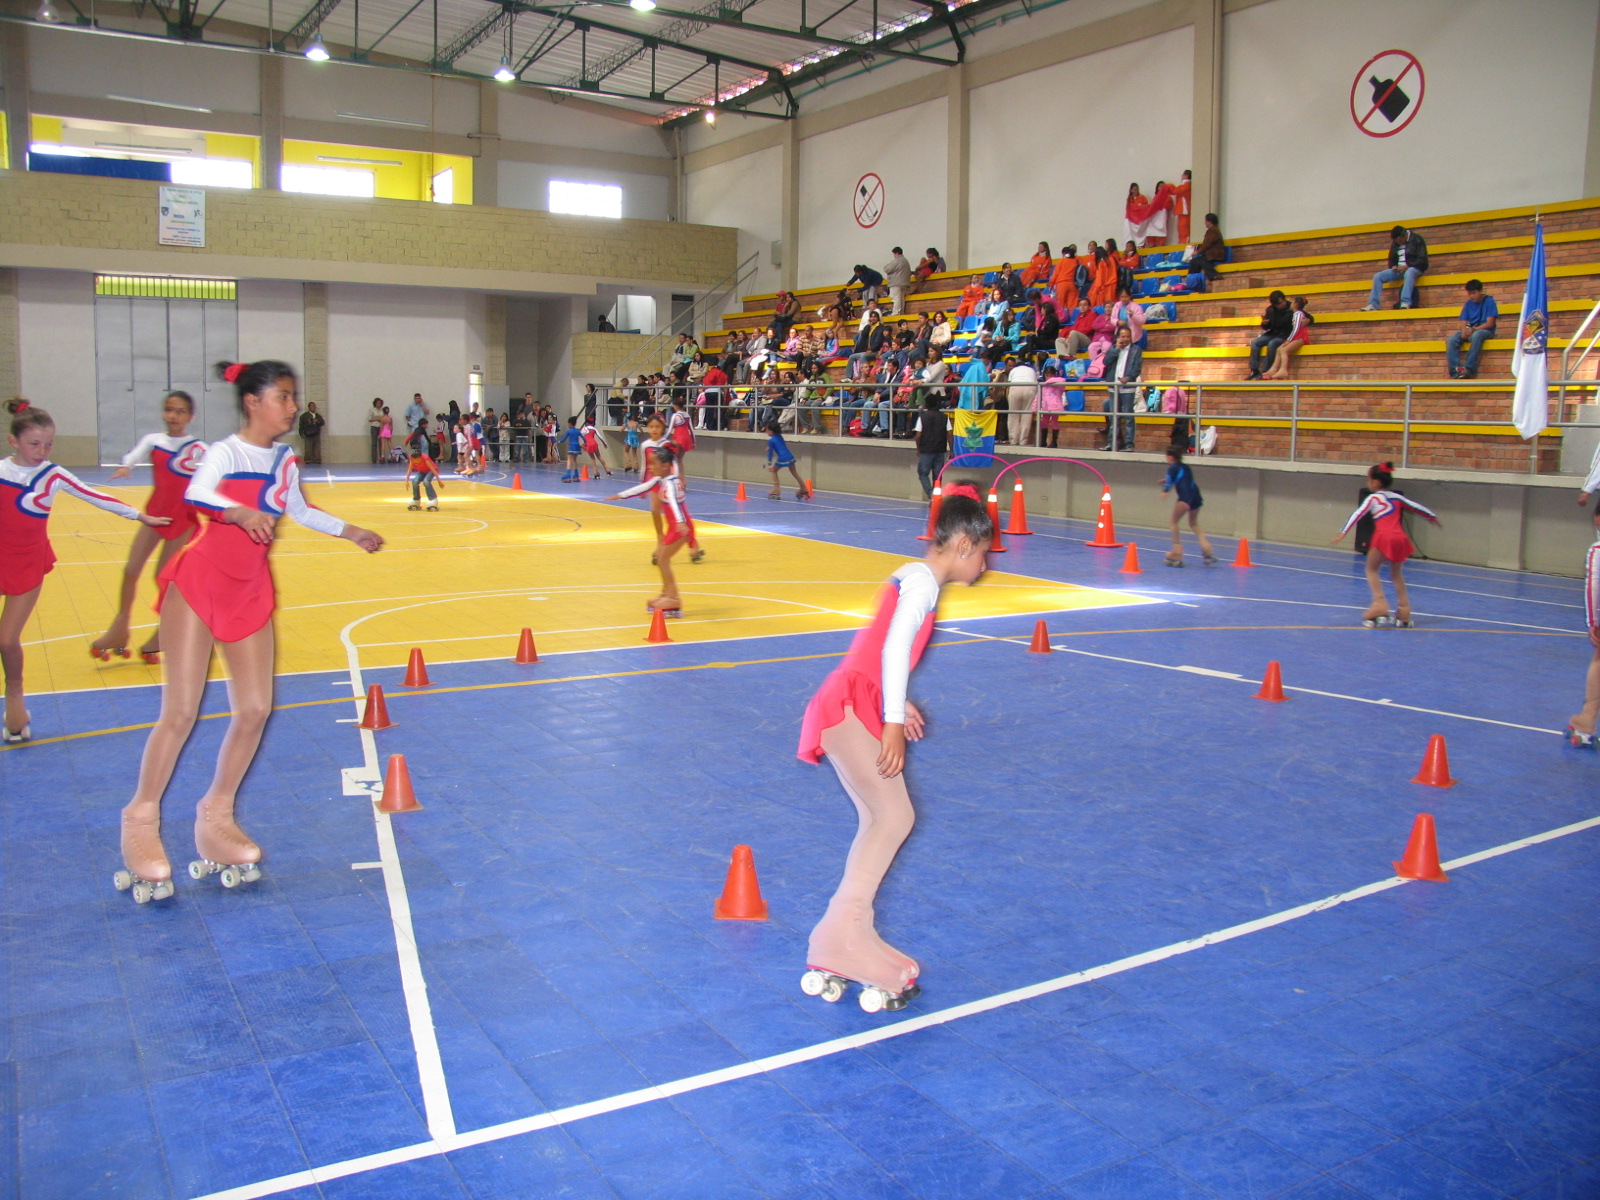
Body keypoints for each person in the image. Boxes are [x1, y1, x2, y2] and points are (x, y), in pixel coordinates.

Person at [113, 361, 380, 903]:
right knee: (181, 712)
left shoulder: (284, 459)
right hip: (200, 584)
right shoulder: (225, 452)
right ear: (253, 402)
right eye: (282, 397)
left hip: (249, 589)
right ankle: (140, 819)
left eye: (291, 397)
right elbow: (200, 493)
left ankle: (216, 815)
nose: (291, 406)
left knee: (256, 709)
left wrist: (350, 531)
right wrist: (237, 513)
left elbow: (298, 509)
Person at [797, 485, 992, 1011]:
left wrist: (893, 701)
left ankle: (849, 934)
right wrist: (888, 722)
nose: (985, 565)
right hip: (849, 707)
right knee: (894, 816)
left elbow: (880, 649)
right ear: (965, 545)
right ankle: (838, 933)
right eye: (985, 553)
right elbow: (896, 644)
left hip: (853, 698)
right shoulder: (926, 584)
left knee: (879, 817)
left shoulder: (914, 574)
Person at [3, 408, 170, 742]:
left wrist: (139, 515)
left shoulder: (53, 476)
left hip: (27, 564)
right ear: (14, 442)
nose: (43, 451)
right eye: (35, 444)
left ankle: (15, 693)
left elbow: (95, 496)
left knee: (6, 640)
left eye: (49, 445)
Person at [91, 392, 207, 664]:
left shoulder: (200, 447)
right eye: (169, 410)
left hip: (183, 519)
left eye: (180, 411)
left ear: (190, 417)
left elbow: (220, 469)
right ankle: (120, 628)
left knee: (163, 578)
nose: (173, 416)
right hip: (155, 514)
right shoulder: (154, 440)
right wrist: (125, 466)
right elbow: (135, 454)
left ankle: (162, 637)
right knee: (131, 570)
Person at [1332, 462, 1440, 627]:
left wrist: (1343, 531)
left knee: (1371, 569)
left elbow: (1358, 513)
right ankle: (1404, 610)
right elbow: (1416, 507)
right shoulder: (1397, 497)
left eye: (1368, 479)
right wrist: (1432, 517)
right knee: (1396, 574)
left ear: (1375, 482)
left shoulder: (1373, 498)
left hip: (1384, 537)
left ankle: (1380, 604)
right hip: (1399, 538)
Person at [608, 445, 693, 615]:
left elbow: (676, 505)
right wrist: (621, 495)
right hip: (675, 526)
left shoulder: (672, 484)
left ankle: (673, 597)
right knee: (662, 559)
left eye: (654, 464)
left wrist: (679, 522)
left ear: (666, 466)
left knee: (662, 559)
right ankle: (667, 593)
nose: (651, 467)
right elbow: (642, 488)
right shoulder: (660, 480)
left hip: (680, 527)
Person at [1567, 521, 1599, 748]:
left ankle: (1587, 720)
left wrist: (1593, 622)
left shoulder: (1597, 550)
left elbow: (1593, 586)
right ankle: (1586, 720)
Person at [1160, 445, 1217, 566]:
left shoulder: (1172, 468)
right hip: (1195, 497)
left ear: (1170, 457)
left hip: (1185, 498)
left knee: (1173, 522)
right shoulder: (1185, 467)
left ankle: (1177, 551)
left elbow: (1170, 479)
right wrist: (1166, 481)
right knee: (1194, 523)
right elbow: (1183, 479)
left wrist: (1165, 491)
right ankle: (1207, 550)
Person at [1365, 225, 1430, 311]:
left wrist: (1407, 266)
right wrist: (1394, 266)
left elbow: (1423, 260)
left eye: (1400, 240)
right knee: (1378, 276)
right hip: (1399, 270)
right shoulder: (1396, 243)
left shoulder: (1417, 240)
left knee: (1409, 272)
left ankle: (1405, 302)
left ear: (1404, 235)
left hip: (1414, 268)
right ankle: (1374, 304)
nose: (1400, 243)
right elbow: (1391, 259)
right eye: (1397, 241)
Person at [1101, 325, 1142, 451]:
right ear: (1118, 337)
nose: (1125, 339)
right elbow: (1106, 362)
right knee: (1114, 416)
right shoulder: (1113, 348)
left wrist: (1128, 378)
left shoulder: (1136, 350)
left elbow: (1137, 368)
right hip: (1114, 386)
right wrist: (1117, 349)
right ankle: (1112, 443)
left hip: (1127, 387)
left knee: (1128, 416)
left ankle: (1129, 444)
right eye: (1123, 336)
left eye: (1128, 336)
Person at [1446, 279, 1498, 379]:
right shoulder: (1468, 303)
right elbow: (1463, 321)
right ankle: (1455, 371)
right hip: (1470, 330)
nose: (1471, 296)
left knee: (1477, 335)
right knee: (1451, 339)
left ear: (1480, 291)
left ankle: (1469, 369)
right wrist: (1463, 330)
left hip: (1485, 331)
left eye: (1474, 293)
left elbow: (1490, 323)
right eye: (1469, 294)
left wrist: (1473, 330)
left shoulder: (1489, 302)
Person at [1262, 296, 1314, 380]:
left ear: (1296, 304)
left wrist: (1288, 340)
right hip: (1296, 337)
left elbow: (1296, 329)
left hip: (1300, 337)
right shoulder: (1296, 314)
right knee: (1279, 349)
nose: (1291, 304)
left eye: (1293, 302)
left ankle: (1283, 370)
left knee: (1284, 350)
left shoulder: (1298, 314)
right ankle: (1273, 369)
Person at [1248, 291, 1293, 379]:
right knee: (1255, 343)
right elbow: (1267, 327)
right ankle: (1254, 370)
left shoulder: (1291, 308)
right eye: (1278, 304)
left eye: (1282, 302)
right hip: (1272, 333)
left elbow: (1306, 316)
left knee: (1272, 344)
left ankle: (1266, 371)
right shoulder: (1270, 310)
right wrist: (1265, 324)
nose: (1281, 305)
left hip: (1284, 335)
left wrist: (1309, 320)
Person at [762, 421, 807, 499]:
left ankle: (776, 489)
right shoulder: (779, 436)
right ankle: (803, 487)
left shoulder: (771, 440)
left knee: (773, 470)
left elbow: (770, 454)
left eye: (767, 430)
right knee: (794, 473)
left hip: (783, 458)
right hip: (789, 455)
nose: (766, 431)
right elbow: (780, 446)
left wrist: (769, 464)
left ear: (771, 431)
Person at [404, 420, 442, 511]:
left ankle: (433, 499)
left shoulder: (424, 458)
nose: (415, 461)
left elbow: (433, 469)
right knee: (415, 481)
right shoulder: (412, 458)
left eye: (417, 459)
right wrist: (407, 480)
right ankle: (416, 499)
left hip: (430, 470)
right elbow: (410, 469)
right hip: (423, 471)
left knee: (426, 482)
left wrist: (439, 480)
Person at [1183, 213, 1227, 288]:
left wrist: (1197, 252)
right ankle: (1191, 280)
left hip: (1215, 254)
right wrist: (1196, 247)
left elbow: (1207, 244)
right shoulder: (1212, 231)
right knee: (1194, 262)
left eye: (1205, 221)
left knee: (1201, 260)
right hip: (1210, 254)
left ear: (1209, 222)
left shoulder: (1213, 231)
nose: (1205, 223)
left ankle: (1214, 275)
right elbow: (1206, 244)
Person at [1050, 244, 1081, 313]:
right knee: (1073, 304)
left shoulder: (1062, 261)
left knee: (1060, 304)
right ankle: (1073, 319)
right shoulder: (1076, 261)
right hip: (1073, 284)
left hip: (1062, 284)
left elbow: (1056, 273)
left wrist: (1051, 284)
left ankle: (1062, 318)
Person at [883, 248, 912, 315]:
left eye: (893, 254)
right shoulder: (905, 260)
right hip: (904, 283)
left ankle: (896, 313)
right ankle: (901, 312)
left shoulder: (897, 260)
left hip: (896, 283)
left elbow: (887, 269)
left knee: (896, 298)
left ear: (896, 253)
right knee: (901, 299)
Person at [560, 416, 584, 482]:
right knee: (575, 460)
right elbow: (584, 438)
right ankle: (576, 475)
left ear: (570, 423)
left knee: (569, 459)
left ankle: (568, 474)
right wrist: (584, 444)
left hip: (571, 447)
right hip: (577, 447)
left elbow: (563, 439)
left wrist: (558, 442)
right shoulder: (578, 431)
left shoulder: (569, 431)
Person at [1173, 169, 1193, 245]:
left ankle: (1184, 241)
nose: (1181, 176)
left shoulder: (1187, 185)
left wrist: (1169, 186)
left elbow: (1176, 191)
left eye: (1182, 174)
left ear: (1186, 176)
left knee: (1184, 227)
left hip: (1184, 210)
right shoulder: (1184, 185)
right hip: (1181, 210)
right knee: (1180, 227)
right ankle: (1181, 241)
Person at [367, 398, 385, 463]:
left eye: (380, 403)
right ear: (375, 403)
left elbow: (384, 418)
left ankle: (381, 458)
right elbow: (369, 419)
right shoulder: (372, 410)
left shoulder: (382, 410)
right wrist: (377, 418)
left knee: (381, 443)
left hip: (381, 428)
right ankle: (374, 459)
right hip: (374, 427)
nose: (379, 404)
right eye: (377, 403)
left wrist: (381, 419)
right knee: (374, 444)